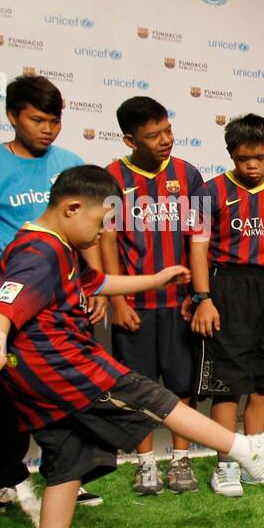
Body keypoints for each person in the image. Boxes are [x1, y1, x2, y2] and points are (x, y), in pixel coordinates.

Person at [0, 166, 264, 528]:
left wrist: (154, 280)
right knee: (150, 397)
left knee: (71, 455)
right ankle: (243, 449)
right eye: (101, 223)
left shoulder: (59, 244)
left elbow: (97, 282)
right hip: (63, 366)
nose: (103, 235)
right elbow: (4, 305)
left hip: (49, 370)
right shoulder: (37, 253)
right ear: (71, 208)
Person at [0, 74, 102, 515]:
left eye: (54, 121)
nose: (48, 129)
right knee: (3, 397)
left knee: (69, 393)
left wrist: (94, 285)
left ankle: (70, 475)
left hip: (62, 303)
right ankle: (2, 478)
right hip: (9, 301)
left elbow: (89, 229)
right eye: (37, 119)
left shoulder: (71, 162)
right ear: (12, 116)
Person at [188, 114, 264, 496]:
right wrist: (203, 299)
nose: (252, 166)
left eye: (261, 157)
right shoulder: (209, 191)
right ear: (231, 154)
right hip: (225, 288)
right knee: (228, 385)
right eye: (243, 158)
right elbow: (198, 248)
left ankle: (254, 461)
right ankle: (225, 465)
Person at [103, 95, 206, 495]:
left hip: (179, 304)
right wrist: (116, 300)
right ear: (130, 140)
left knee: (181, 385)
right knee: (137, 388)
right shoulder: (113, 176)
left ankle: (181, 462)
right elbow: (108, 242)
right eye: (153, 135)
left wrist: (198, 295)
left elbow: (198, 240)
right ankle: (145, 464)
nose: (166, 140)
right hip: (135, 306)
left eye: (167, 129)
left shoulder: (188, 173)